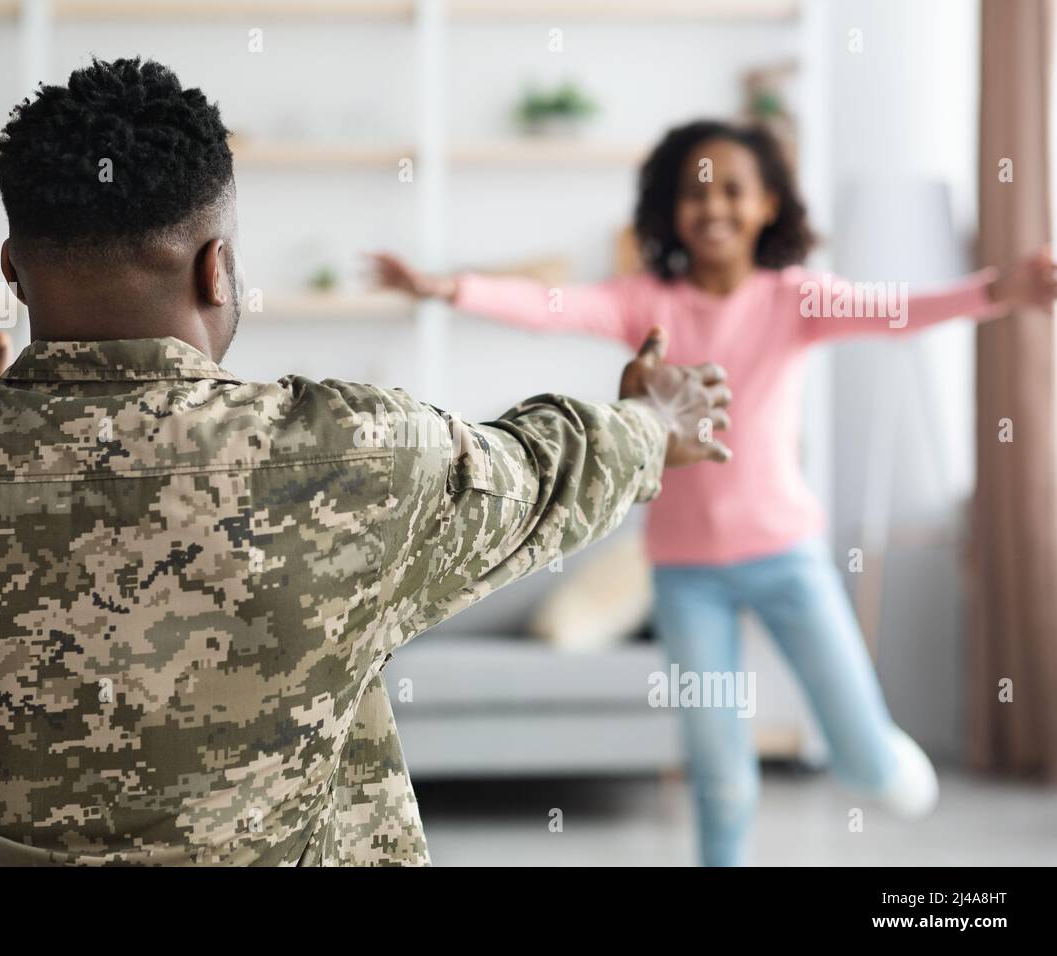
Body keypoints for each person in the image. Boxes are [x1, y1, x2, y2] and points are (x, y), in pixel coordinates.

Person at [0, 59, 730, 866]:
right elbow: (546, 471)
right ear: (218, 268)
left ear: (13, 269)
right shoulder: (355, 456)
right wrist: (655, 420)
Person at [370, 119, 1057, 866]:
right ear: (671, 211)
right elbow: (554, 307)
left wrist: (1000, 290)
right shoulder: (646, 302)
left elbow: (896, 312)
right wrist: (448, 287)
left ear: (768, 206)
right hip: (685, 572)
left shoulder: (794, 299)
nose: (714, 206)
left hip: (787, 558)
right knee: (720, 775)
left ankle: (884, 765)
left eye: (734, 189)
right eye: (696, 191)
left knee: (865, 762)